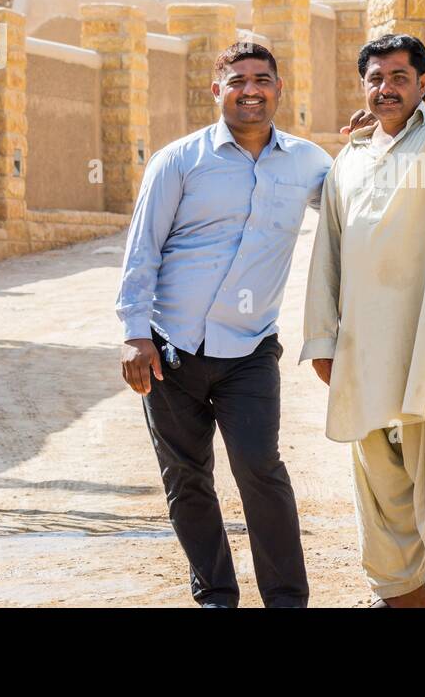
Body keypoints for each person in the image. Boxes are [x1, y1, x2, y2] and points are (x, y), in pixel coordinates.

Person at [117, 41, 331, 608]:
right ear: (217, 91)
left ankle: (286, 599)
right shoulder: (178, 161)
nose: (250, 89)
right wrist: (136, 334)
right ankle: (215, 595)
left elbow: (358, 206)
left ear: (279, 89)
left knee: (261, 467)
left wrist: (369, 143)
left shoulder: (310, 163)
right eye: (237, 80)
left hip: (251, 349)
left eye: (262, 79)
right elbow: (143, 250)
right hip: (171, 350)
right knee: (187, 478)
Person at [302, 33, 425, 608]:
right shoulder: (349, 160)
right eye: (376, 79)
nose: (386, 89)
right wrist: (322, 339)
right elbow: (329, 251)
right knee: (382, 492)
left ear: (423, 85)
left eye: (399, 78)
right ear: (364, 86)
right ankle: (398, 598)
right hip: (364, 351)